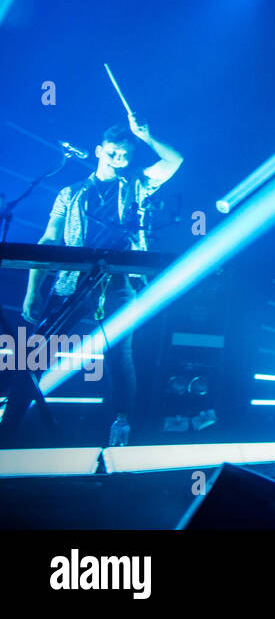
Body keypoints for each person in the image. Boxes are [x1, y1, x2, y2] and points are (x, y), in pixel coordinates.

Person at [22, 115, 183, 444]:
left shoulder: (138, 184)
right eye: (112, 153)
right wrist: (32, 290)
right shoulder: (70, 193)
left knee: (120, 356)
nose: (119, 159)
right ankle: (10, 418)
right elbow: (49, 239)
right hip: (70, 283)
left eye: (125, 154)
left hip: (118, 286)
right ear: (99, 151)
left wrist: (146, 135)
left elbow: (174, 160)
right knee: (38, 351)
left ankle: (121, 425)